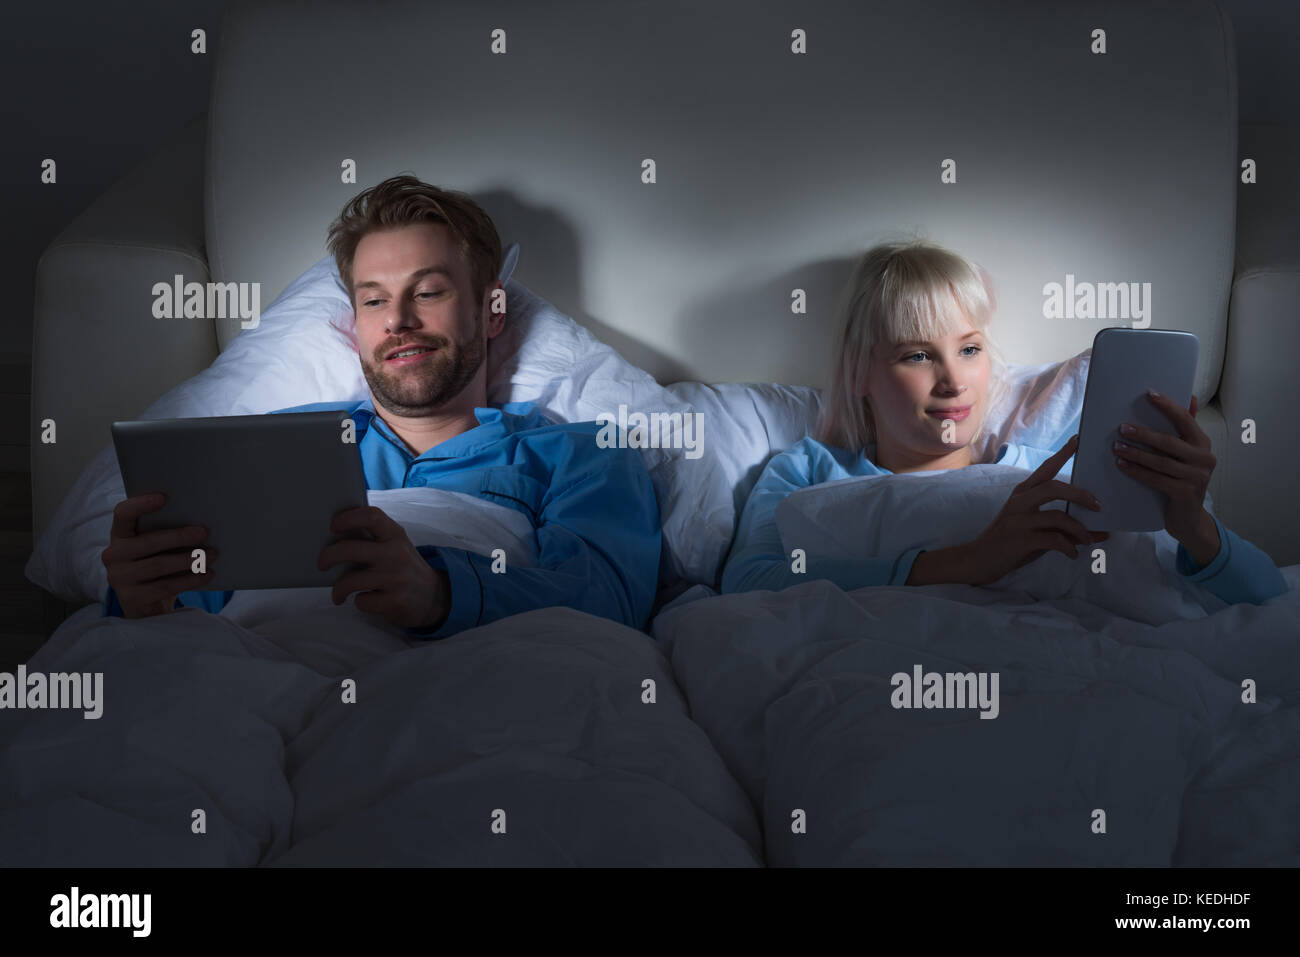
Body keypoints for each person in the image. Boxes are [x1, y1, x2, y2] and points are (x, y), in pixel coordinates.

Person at [101, 175, 661, 638]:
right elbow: (195, 616)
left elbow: (608, 605)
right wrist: (142, 599)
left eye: (427, 291)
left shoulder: (580, 454)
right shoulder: (268, 446)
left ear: (492, 313)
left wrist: (439, 595)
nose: (397, 320)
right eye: (374, 300)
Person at [721, 239, 1286, 605]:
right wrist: (969, 562)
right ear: (860, 374)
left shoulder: (1041, 479)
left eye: (969, 350)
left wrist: (1194, 529)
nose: (953, 381)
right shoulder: (804, 473)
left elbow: (1272, 601)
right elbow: (748, 587)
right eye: (917, 355)